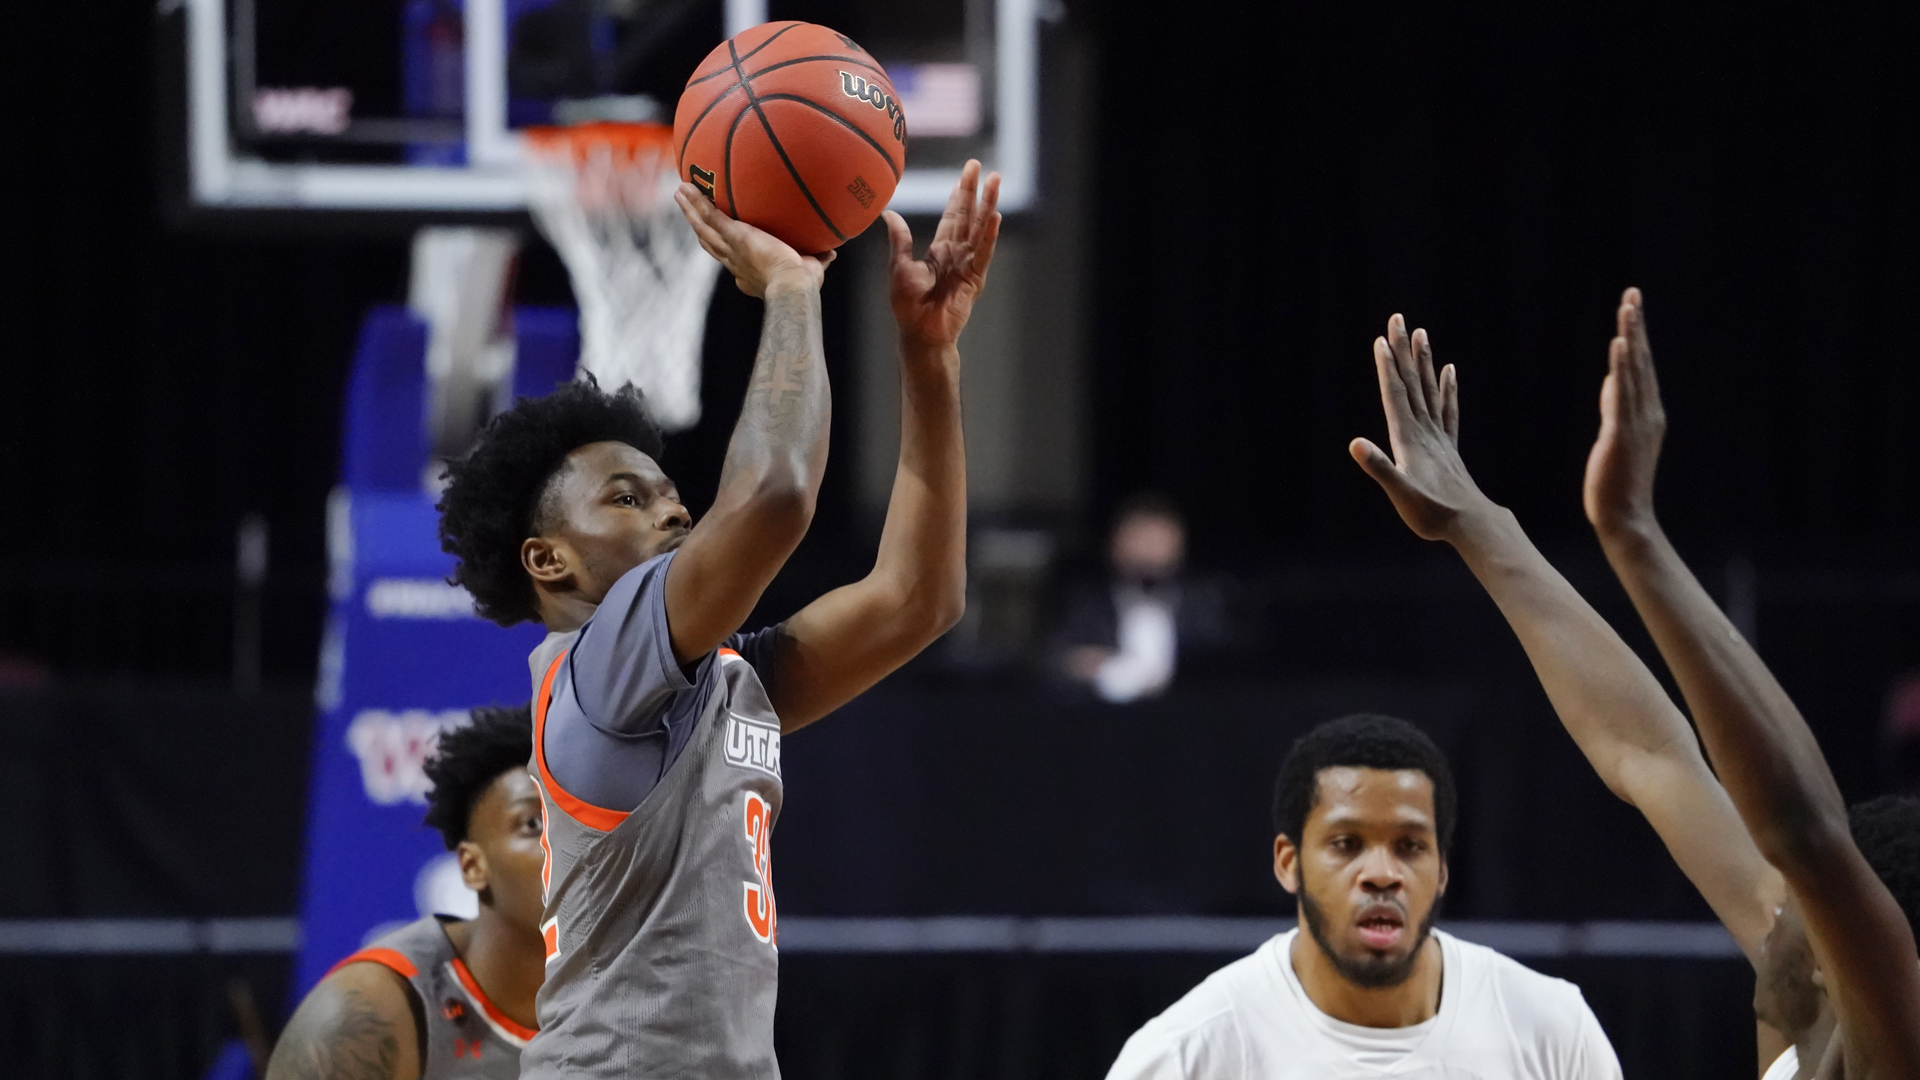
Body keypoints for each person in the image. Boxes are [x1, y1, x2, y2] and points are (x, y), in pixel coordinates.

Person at [434, 162, 999, 1078]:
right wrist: (790, 284)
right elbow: (774, 493)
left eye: (671, 495)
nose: (675, 512)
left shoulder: (722, 678)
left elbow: (916, 600)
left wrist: (929, 359)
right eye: (626, 498)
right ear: (549, 561)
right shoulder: (597, 667)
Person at [1346, 303, 1920, 1079]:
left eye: (1807, 906)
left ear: (1854, 950)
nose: (1770, 906)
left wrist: (1635, 537)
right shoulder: (1804, 976)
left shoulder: (1896, 1043)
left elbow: (1806, 832)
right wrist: (1478, 525)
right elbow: (1648, 752)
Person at [1106, 713, 1621, 1079]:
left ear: (1442, 869)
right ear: (1289, 863)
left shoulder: (1552, 1028)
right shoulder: (1186, 1054)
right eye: (1346, 844)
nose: (1381, 874)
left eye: (1410, 847)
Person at [265, 704, 544, 1080]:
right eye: (533, 823)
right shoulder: (365, 1015)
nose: (570, 842)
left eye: (578, 819)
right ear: (473, 867)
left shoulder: (640, 990)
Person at [1057, 493, 1225, 703]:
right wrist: (1083, 664)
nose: (1149, 550)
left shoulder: (1203, 603)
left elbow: (1221, 665)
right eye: (1140, 538)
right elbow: (1054, 659)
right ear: (1115, 544)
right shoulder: (1087, 602)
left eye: (1159, 540)